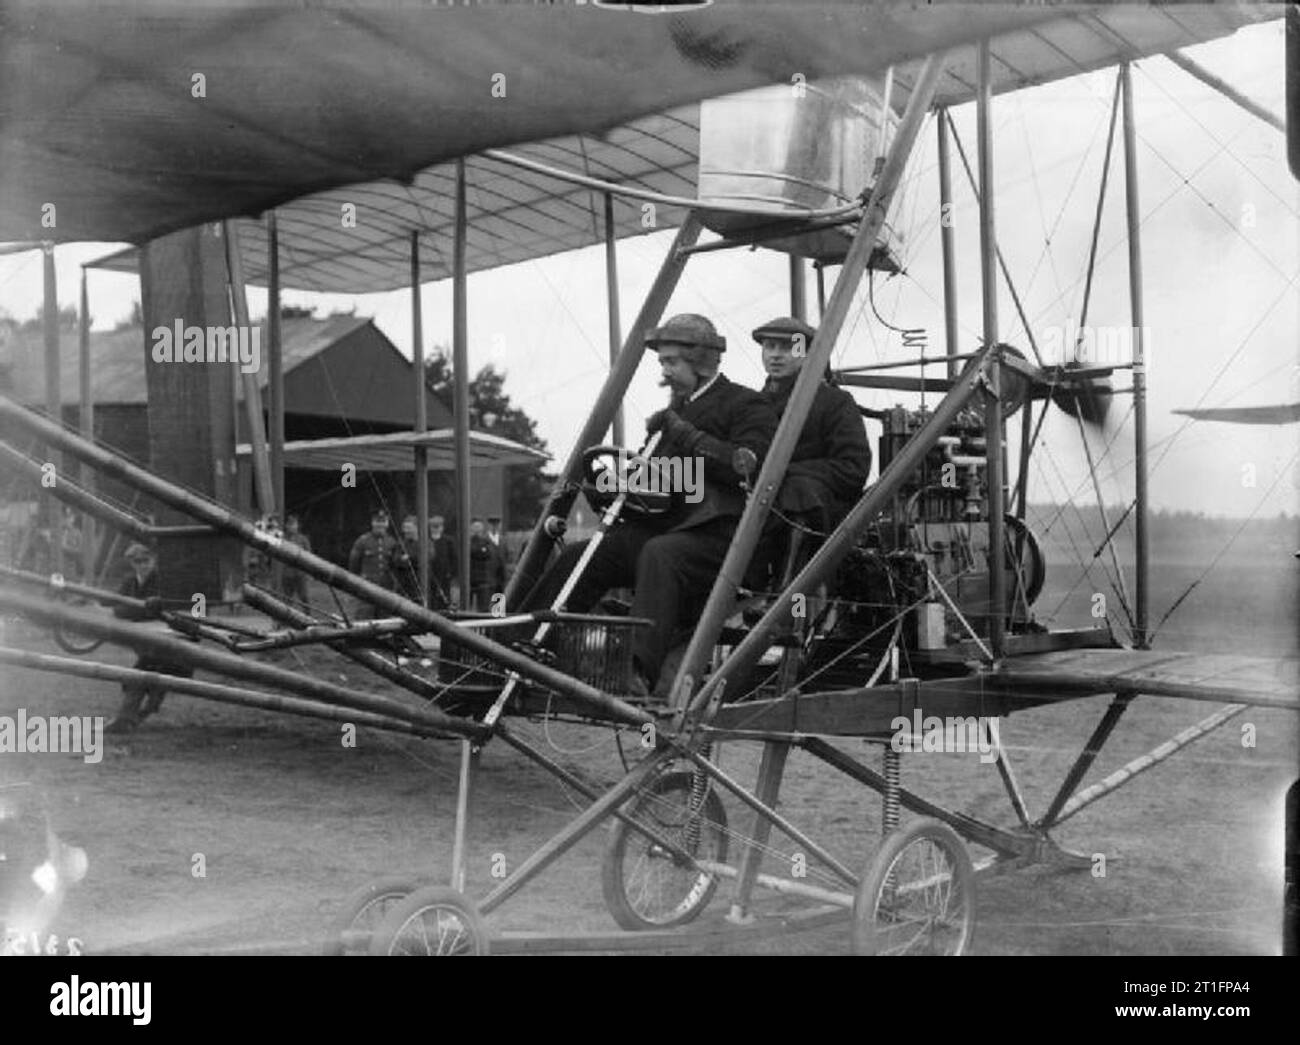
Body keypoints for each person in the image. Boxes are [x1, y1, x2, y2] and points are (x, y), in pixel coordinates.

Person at [521, 313, 778, 699]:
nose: (665, 370)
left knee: (661, 554)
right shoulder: (669, 418)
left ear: (702, 362)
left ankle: (637, 671)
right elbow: (658, 481)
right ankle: (523, 644)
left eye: (672, 361)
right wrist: (606, 485)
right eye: (662, 362)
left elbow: (745, 470)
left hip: (724, 538)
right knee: (588, 552)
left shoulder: (745, 405)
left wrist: (685, 436)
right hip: (671, 529)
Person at [104, 543, 195, 734]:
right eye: (138, 561)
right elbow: (113, 601)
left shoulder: (164, 581)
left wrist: (120, 611)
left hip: (174, 644)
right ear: (131, 563)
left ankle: (130, 717)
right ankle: (131, 717)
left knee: (144, 675)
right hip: (151, 644)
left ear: (153, 560)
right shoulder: (129, 582)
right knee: (142, 674)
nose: (143, 565)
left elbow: (144, 611)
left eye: (146, 561)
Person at [347, 510, 398, 618]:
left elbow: (395, 564)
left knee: (384, 616)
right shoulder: (363, 541)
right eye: (377, 521)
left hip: (386, 586)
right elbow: (354, 563)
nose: (380, 524)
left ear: (387, 523)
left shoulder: (392, 542)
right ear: (372, 523)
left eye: (383, 521)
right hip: (367, 585)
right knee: (364, 615)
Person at [468, 517, 505, 612]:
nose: (495, 527)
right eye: (493, 524)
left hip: (498, 576)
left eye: (497, 524)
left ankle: (497, 622)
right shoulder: (482, 541)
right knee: (481, 606)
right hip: (483, 578)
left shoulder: (502, 540)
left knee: (497, 606)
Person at [390, 514, 425, 602]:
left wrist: (409, 557)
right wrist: (408, 559)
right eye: (404, 528)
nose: (406, 531)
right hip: (404, 588)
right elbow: (396, 560)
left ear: (416, 528)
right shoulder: (400, 544)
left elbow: (426, 558)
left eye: (409, 528)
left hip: (422, 586)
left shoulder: (426, 542)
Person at [279, 514, 313, 604]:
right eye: (290, 525)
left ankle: (307, 616)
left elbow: (309, 555)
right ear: (286, 526)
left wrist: (309, 571)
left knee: (304, 597)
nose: (292, 527)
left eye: (294, 524)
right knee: (287, 598)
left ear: (298, 526)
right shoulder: (282, 539)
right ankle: (286, 617)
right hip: (287, 574)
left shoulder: (303, 539)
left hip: (300, 573)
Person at [427, 515, 457, 610]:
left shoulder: (448, 541)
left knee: (444, 598)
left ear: (442, 528)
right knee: (430, 597)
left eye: (437, 527)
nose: (435, 529)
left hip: (444, 575)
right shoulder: (426, 540)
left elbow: (454, 558)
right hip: (430, 574)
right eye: (433, 527)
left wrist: (451, 573)